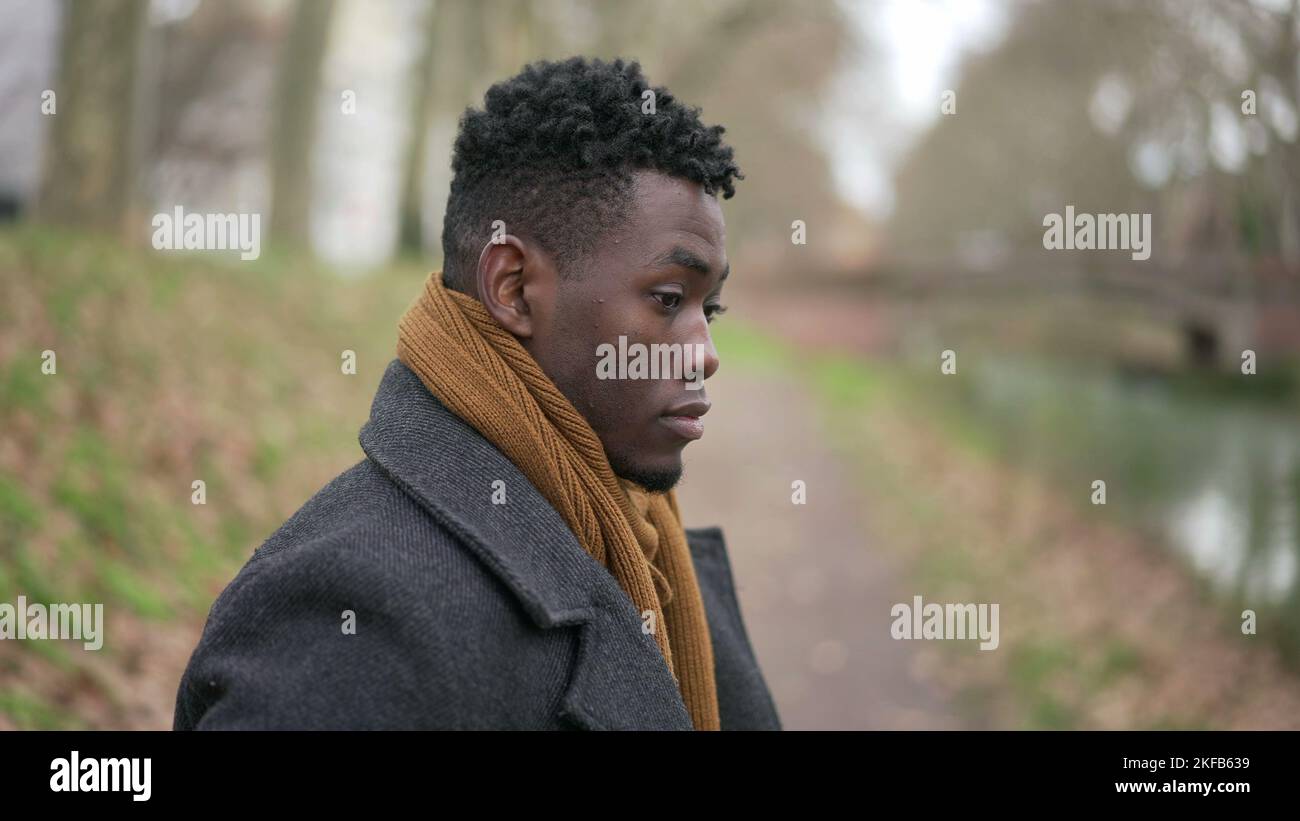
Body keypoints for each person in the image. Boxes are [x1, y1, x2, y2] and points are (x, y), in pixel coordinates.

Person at [173, 56, 780, 730]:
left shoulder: (647, 551)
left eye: (710, 310)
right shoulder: (361, 613)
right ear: (514, 287)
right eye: (669, 299)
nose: (706, 353)